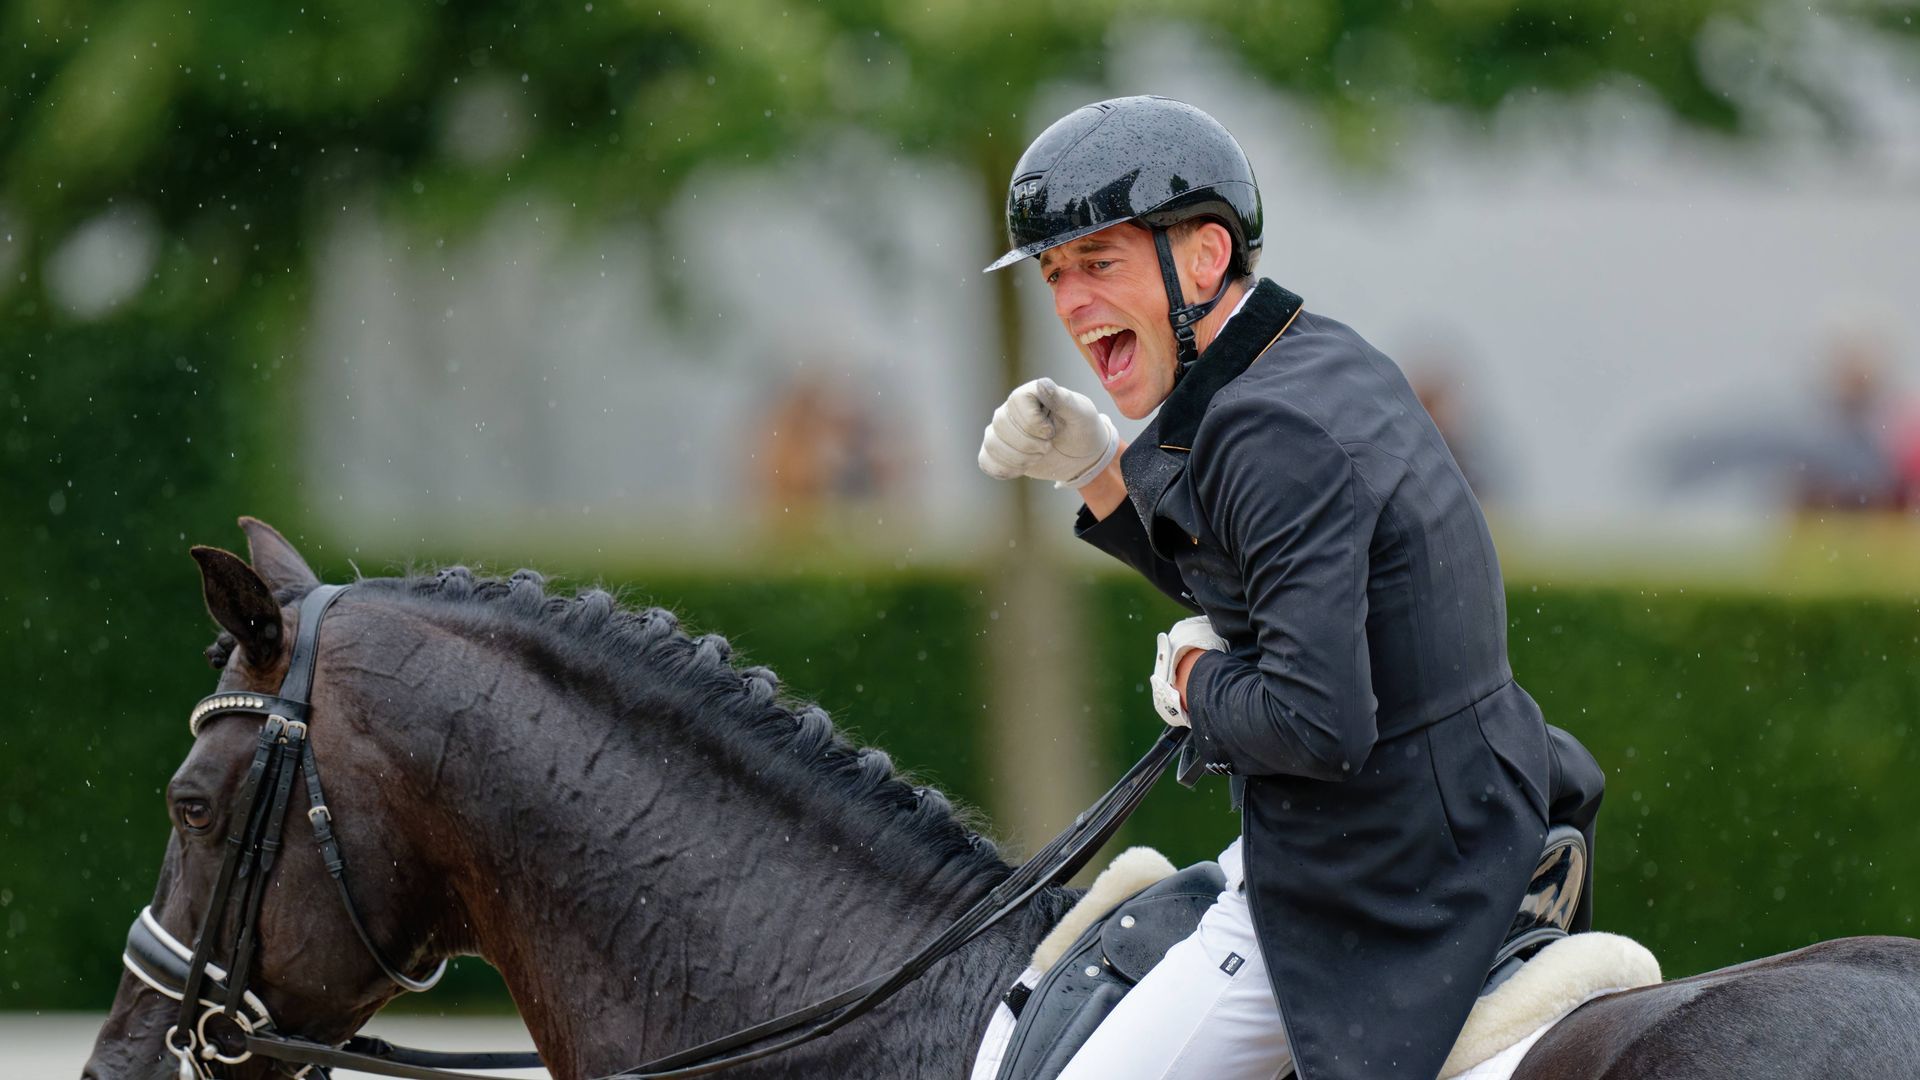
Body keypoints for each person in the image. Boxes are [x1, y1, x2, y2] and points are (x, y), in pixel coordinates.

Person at [976, 96, 1605, 1080]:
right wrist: (1102, 472)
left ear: (1203, 257)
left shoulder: (1267, 429)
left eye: (1099, 263)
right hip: (1465, 802)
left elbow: (1319, 722)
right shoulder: (1305, 360)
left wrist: (1194, 689)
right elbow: (1260, 583)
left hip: (1371, 872)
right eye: (1057, 274)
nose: (1070, 302)